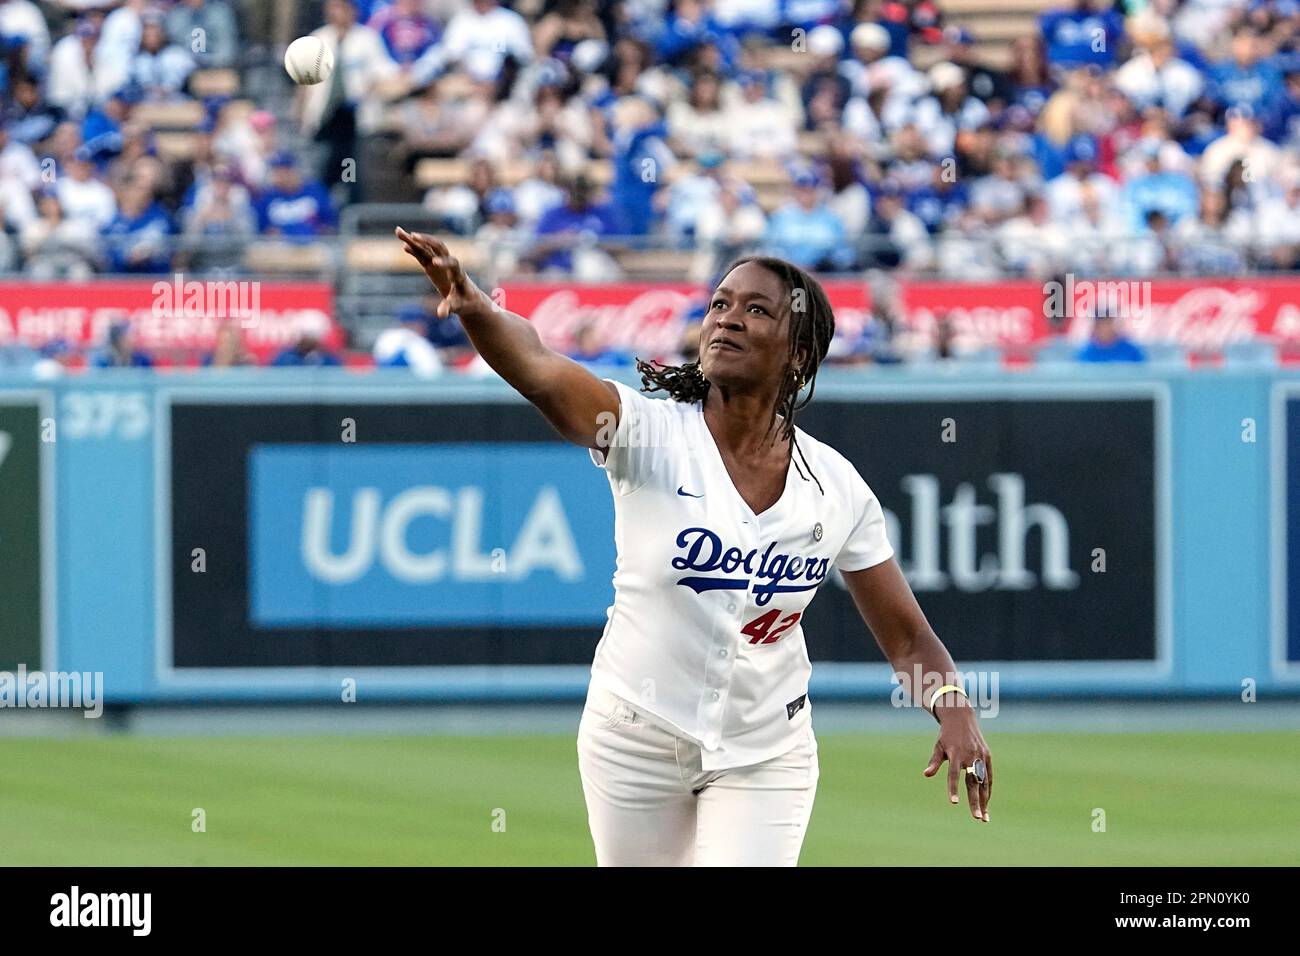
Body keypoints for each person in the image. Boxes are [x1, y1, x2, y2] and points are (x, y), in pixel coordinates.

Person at [395, 227, 994, 866]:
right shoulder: (641, 434)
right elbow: (542, 371)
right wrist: (478, 308)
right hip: (634, 736)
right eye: (719, 304)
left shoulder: (837, 488)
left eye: (756, 310)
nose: (728, 320)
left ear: (799, 355)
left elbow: (906, 638)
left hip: (766, 750)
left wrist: (953, 708)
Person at [1076, 311, 1146, 363]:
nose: (1105, 327)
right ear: (1095, 325)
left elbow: (1143, 374)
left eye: (1108, 322)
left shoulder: (1132, 351)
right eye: (1101, 323)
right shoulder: (1085, 353)